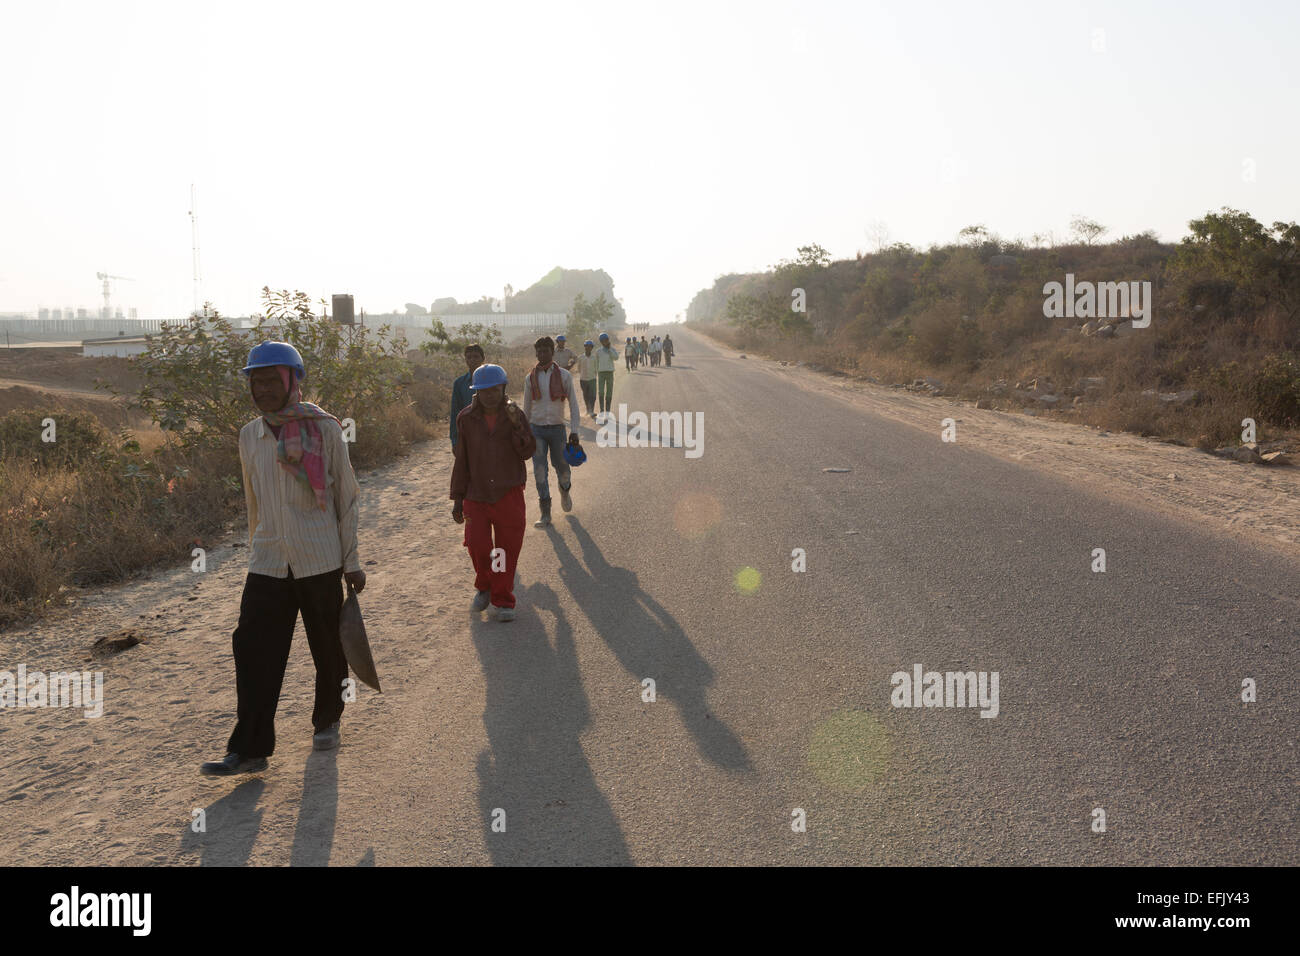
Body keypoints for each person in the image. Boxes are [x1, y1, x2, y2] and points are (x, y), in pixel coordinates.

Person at [201, 341, 365, 776]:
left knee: (328, 646)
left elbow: (346, 497)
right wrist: (257, 547)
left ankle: (328, 718)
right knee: (252, 648)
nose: (263, 389)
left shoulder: (325, 430)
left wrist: (351, 560)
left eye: (273, 380)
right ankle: (251, 748)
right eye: (256, 381)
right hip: (269, 559)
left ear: (293, 381)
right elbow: (253, 502)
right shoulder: (249, 437)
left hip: (319, 556)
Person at [450, 364, 537, 622]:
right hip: (475, 495)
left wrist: (517, 427)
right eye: (483, 390)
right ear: (476, 392)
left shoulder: (515, 415)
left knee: (504, 550)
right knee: (478, 545)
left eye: (494, 389)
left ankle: (502, 599)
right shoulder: (465, 418)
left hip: (507, 492)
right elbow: (462, 460)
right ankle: (484, 585)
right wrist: (457, 498)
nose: (489, 395)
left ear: (503, 388)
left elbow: (527, 452)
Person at [522, 336, 581, 528]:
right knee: (540, 471)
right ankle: (545, 513)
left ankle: (564, 490)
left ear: (552, 352)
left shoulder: (564, 376)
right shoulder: (530, 378)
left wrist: (574, 431)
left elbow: (573, 404)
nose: (541, 355)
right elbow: (527, 408)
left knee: (563, 469)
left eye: (545, 351)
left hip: (557, 429)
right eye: (538, 351)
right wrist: (524, 432)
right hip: (536, 430)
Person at [449, 342, 484, 449]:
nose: (473, 360)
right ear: (465, 360)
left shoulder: (492, 380)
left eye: (476, 356)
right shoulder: (459, 383)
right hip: (468, 432)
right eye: (469, 357)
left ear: (483, 358)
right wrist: (455, 441)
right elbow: (455, 412)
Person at [595, 332, 619, 419]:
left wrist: (609, 350)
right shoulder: (598, 351)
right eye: (603, 341)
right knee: (601, 392)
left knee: (609, 392)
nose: (605, 342)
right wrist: (596, 372)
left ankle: (608, 412)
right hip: (601, 373)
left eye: (606, 340)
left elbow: (616, 358)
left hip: (609, 373)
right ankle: (601, 411)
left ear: (608, 340)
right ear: (601, 342)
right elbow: (596, 363)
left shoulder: (612, 349)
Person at [576, 339, 598, 417]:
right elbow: (578, 368)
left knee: (593, 396)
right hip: (583, 380)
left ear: (592, 348)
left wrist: (594, 375)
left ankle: (591, 410)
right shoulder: (580, 357)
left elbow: (596, 368)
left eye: (590, 347)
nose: (588, 348)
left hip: (592, 379)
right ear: (584, 347)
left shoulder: (594, 357)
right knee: (586, 395)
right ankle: (588, 410)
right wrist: (582, 374)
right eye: (586, 346)